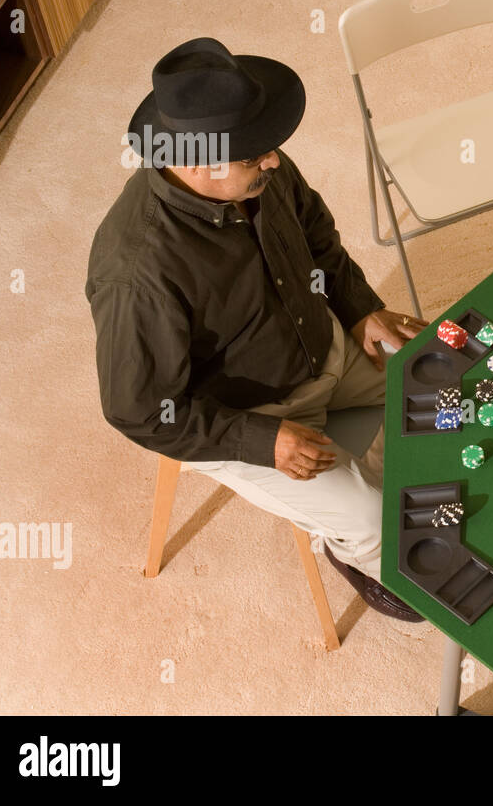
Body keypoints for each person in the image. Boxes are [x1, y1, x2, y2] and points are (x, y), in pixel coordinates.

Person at [87, 37, 426, 621]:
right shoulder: (137, 273)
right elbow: (140, 411)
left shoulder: (257, 167)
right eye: (254, 155)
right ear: (196, 161)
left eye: (266, 147)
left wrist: (358, 307)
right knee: (377, 522)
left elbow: (317, 233)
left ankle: (377, 483)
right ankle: (353, 552)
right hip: (252, 414)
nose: (273, 160)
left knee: (447, 363)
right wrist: (258, 441)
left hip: (323, 343)